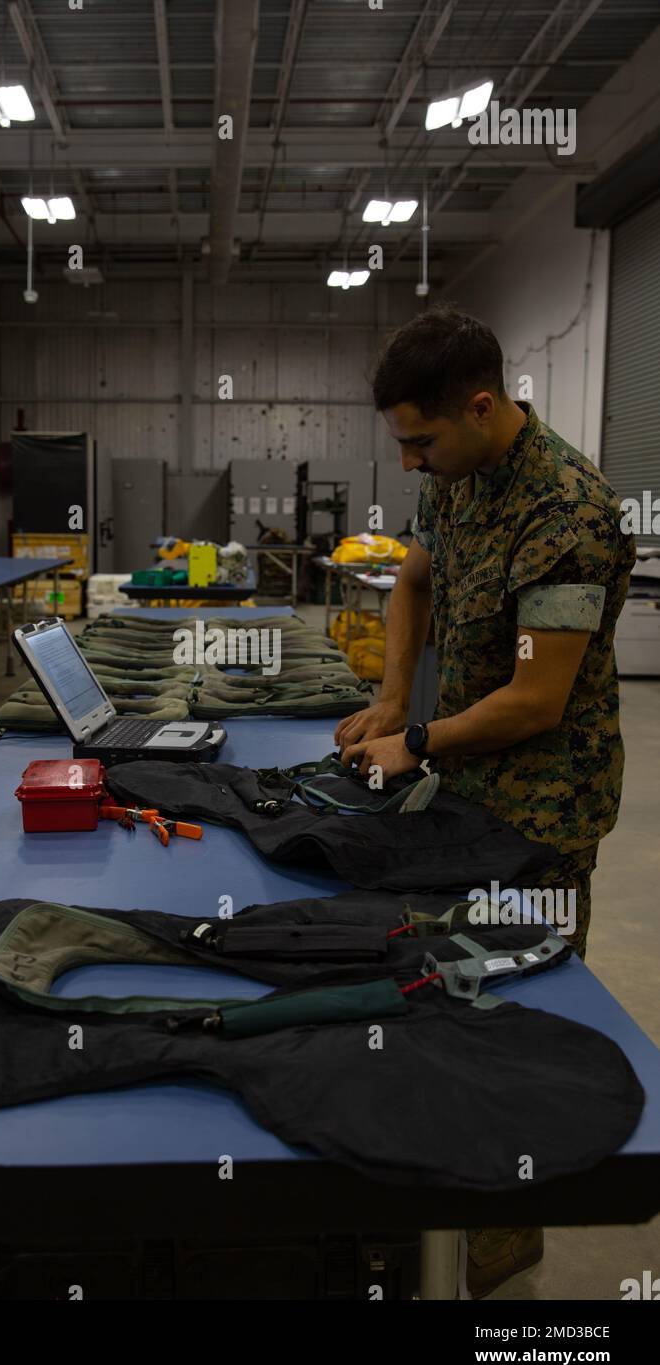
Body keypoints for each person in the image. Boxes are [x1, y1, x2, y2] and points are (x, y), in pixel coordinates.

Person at [334, 305, 635, 1297]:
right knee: (443, 1006)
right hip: (465, 796)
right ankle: (430, 1224)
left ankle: (502, 1276)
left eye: (419, 441)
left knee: (516, 1040)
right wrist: (386, 696)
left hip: (542, 818)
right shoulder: (457, 480)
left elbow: (534, 698)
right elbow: (413, 579)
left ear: (477, 406)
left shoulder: (566, 510)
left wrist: (410, 740)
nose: (409, 464)